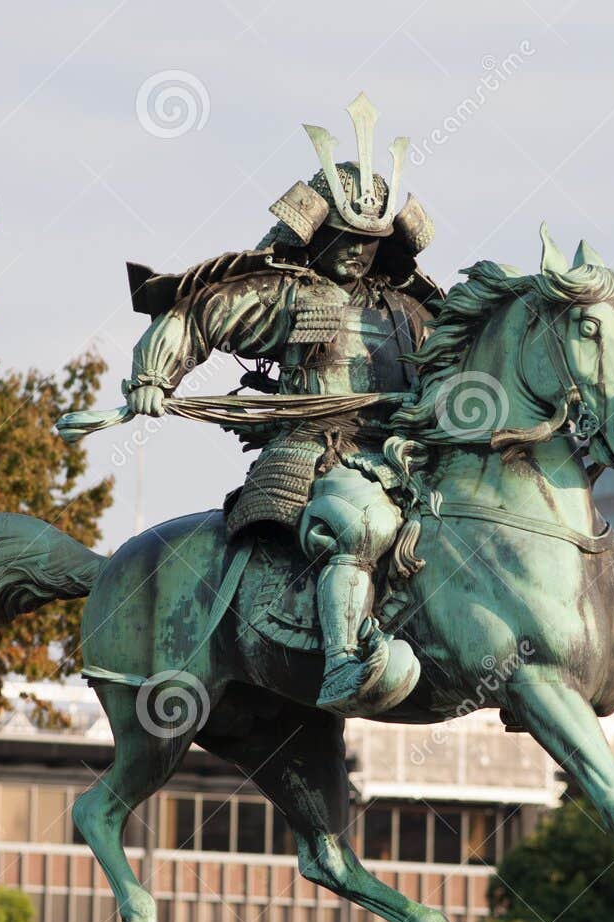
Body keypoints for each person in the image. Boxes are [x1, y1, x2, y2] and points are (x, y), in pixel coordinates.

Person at [121, 95, 439, 714]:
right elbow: (197, 314)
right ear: (317, 232)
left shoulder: (411, 311)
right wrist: (152, 375)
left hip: (403, 459)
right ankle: (345, 659)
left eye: (367, 240)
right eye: (342, 236)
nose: (355, 249)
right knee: (359, 526)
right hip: (315, 456)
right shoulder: (289, 296)